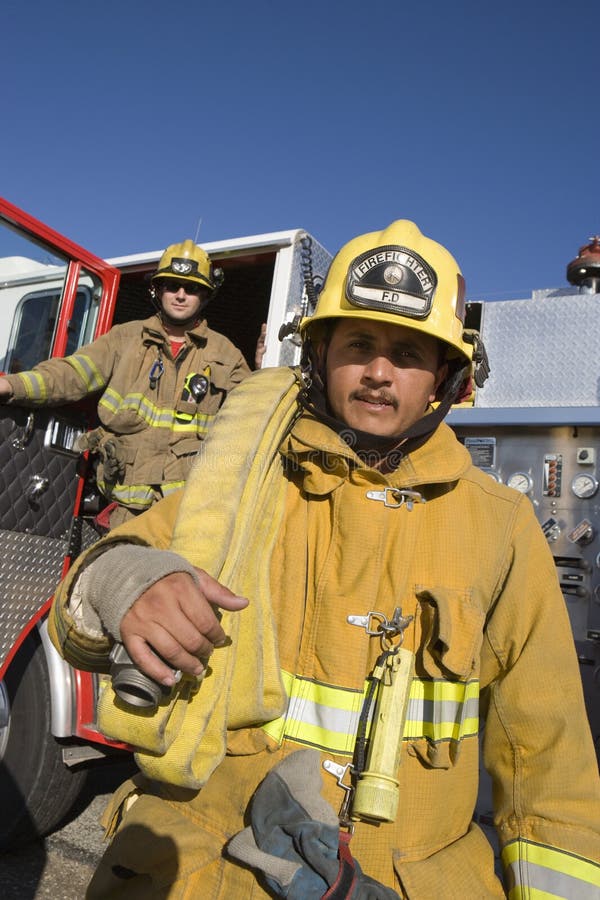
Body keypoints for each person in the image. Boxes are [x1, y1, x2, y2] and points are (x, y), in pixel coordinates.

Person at [49, 220, 600, 898]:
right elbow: (81, 604)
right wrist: (129, 581)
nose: (377, 370)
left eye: (408, 352)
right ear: (318, 354)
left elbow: (549, 761)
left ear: (446, 378)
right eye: (359, 344)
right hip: (206, 866)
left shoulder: (501, 526)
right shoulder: (244, 480)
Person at [0, 240, 251, 527]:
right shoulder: (125, 339)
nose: (181, 295)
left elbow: (251, 418)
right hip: (123, 509)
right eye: (172, 286)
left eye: (192, 288)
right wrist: (11, 386)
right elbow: (70, 374)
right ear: (157, 290)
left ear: (205, 296)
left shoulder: (227, 355)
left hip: (186, 514)